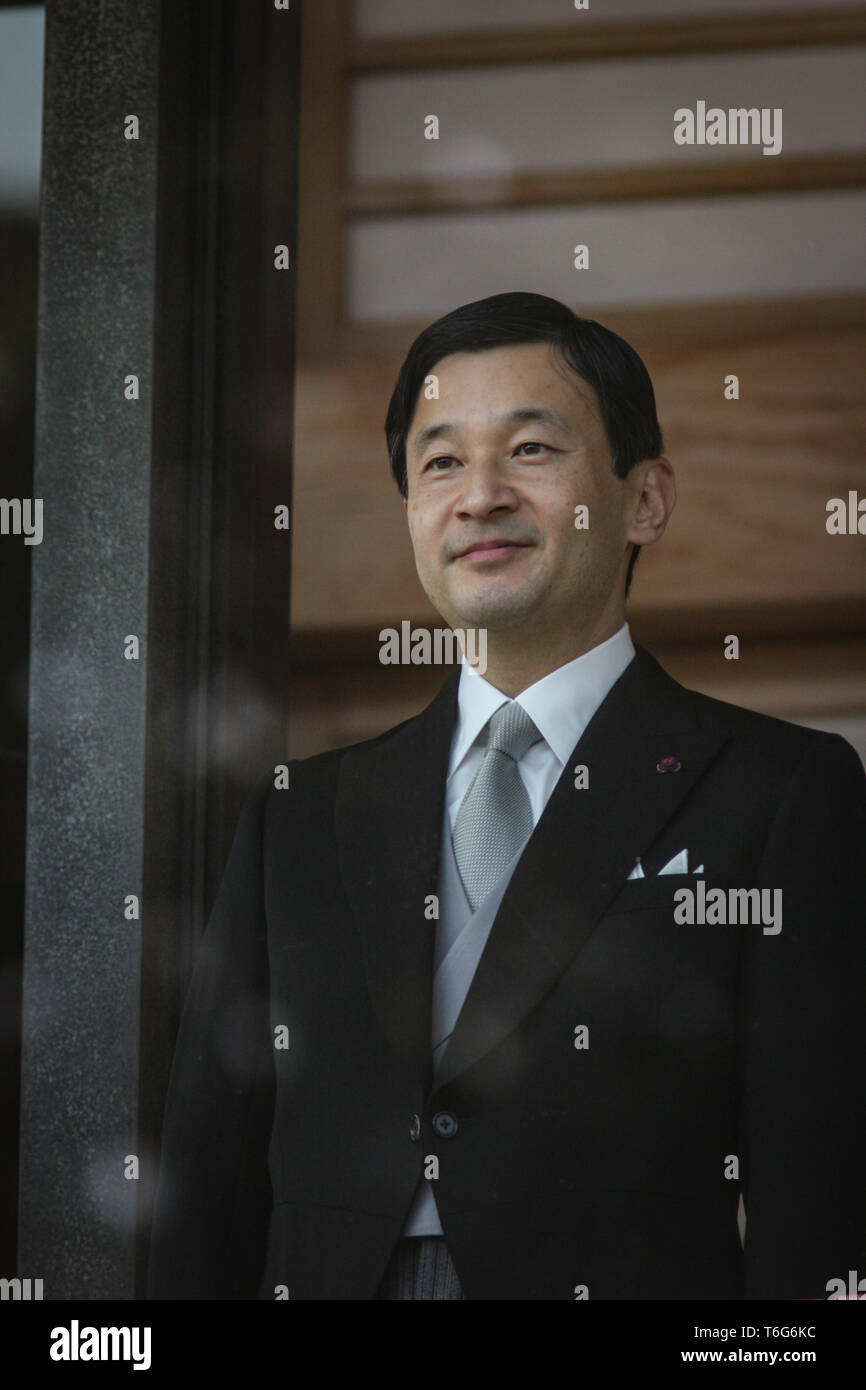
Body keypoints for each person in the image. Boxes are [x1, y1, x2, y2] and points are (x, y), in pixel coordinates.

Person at [148, 291, 866, 1300]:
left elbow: (818, 1195)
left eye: (530, 450)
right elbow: (206, 1194)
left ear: (644, 499)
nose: (477, 494)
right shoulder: (297, 815)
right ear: (410, 511)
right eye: (440, 461)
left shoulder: (780, 791)